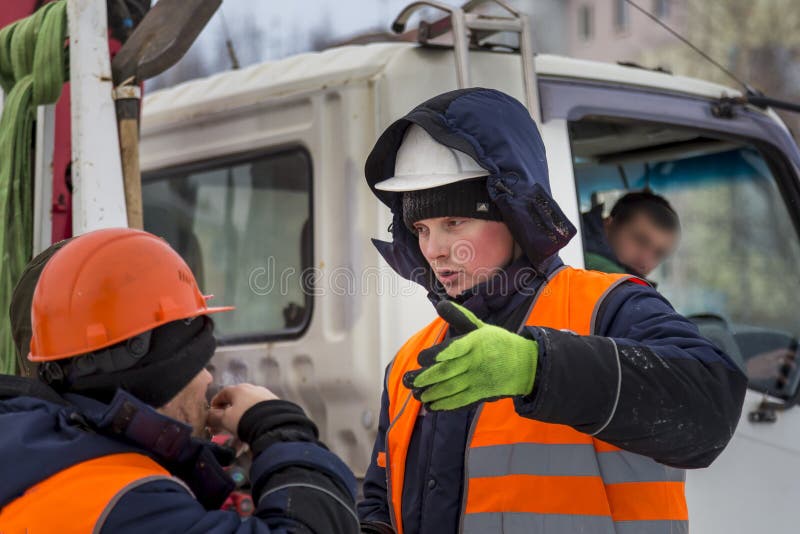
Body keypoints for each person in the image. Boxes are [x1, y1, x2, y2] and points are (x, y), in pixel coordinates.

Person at [357, 88, 747, 534]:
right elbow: (381, 504)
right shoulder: (408, 361)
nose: (435, 250)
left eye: (454, 223)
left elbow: (711, 411)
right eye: (420, 229)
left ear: (514, 214)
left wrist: (537, 369)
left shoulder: (607, 305)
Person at [0, 228, 359, 533]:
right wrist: (279, 427)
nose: (209, 378)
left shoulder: (40, 452)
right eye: (198, 362)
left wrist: (190, 458)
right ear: (156, 375)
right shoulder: (126, 499)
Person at [582, 190, 680, 278]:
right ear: (608, 224)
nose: (645, 260)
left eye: (658, 253)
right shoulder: (583, 261)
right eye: (640, 241)